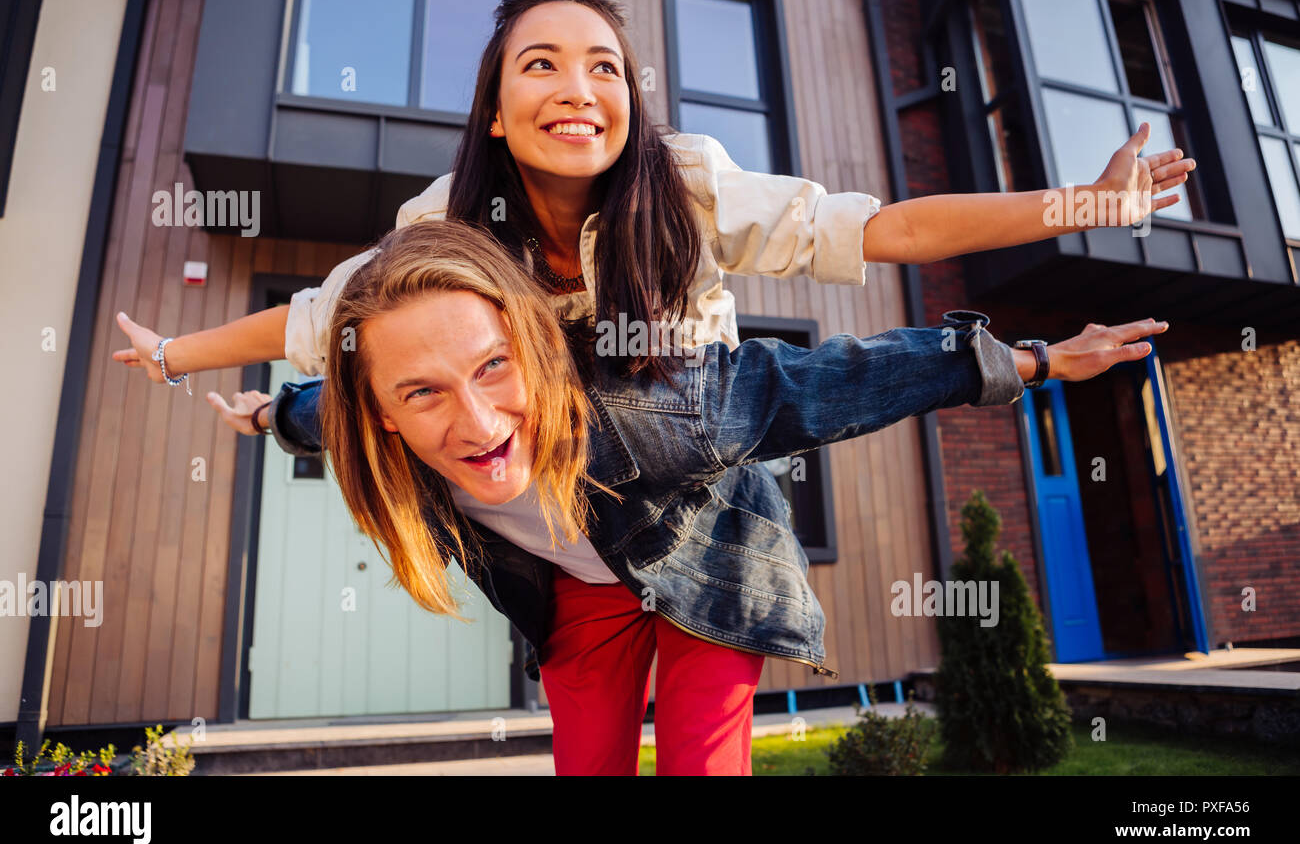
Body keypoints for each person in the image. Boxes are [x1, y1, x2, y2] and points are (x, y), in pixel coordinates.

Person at [201, 219, 1167, 775]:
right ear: (384, 417)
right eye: (424, 394)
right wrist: (258, 415)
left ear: (530, 351)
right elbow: (313, 408)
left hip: (705, 562)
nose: (478, 419)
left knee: (703, 764)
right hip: (579, 594)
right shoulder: (369, 422)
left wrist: (1031, 360)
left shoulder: (655, 410)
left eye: (495, 368)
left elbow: (823, 382)